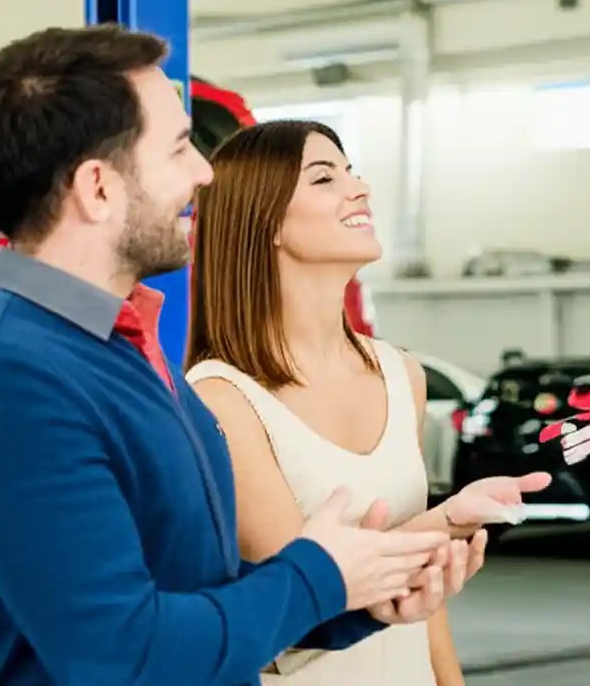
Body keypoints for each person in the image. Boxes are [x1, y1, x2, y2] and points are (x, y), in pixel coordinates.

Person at [0, 25, 457, 686]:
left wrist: (359, 596)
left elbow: (204, 594)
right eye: (178, 149)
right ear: (98, 188)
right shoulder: (9, 380)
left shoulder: (120, 347)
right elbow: (124, 657)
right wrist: (319, 573)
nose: (204, 172)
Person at [182, 119, 552, 685]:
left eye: (351, 171)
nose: (360, 188)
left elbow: (428, 605)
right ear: (265, 220)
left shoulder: (402, 374)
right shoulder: (222, 398)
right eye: (324, 177)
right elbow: (302, 599)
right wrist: (443, 523)